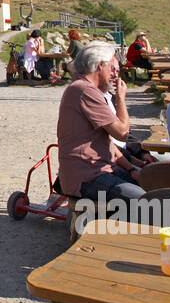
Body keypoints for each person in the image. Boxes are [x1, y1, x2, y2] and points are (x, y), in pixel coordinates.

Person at [55, 42, 144, 201]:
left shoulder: (87, 89)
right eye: (113, 68)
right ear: (100, 66)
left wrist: (132, 169)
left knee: (151, 186)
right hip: (87, 177)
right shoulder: (85, 90)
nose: (115, 74)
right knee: (148, 201)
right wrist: (121, 98)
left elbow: (108, 143)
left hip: (99, 170)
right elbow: (122, 133)